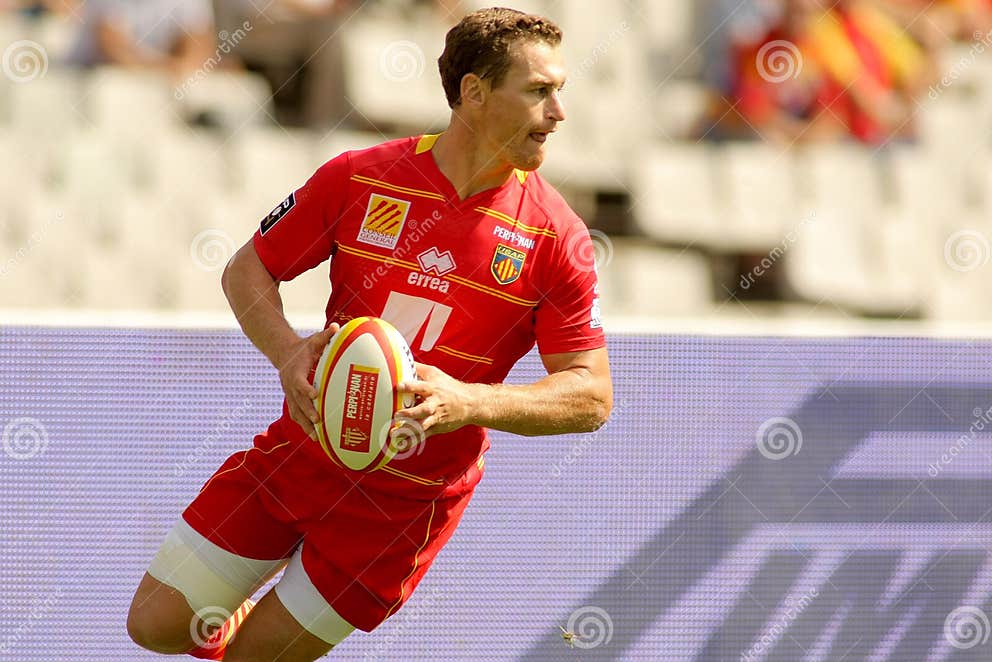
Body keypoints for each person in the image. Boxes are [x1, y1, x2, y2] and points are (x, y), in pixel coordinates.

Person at [126, 7, 613, 661]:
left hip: (400, 513)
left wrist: (470, 403)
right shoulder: (361, 176)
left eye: (561, 92)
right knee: (154, 626)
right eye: (539, 91)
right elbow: (248, 269)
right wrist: (289, 350)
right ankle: (243, 607)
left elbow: (591, 396)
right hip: (302, 455)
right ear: (473, 92)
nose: (558, 113)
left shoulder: (559, 239)